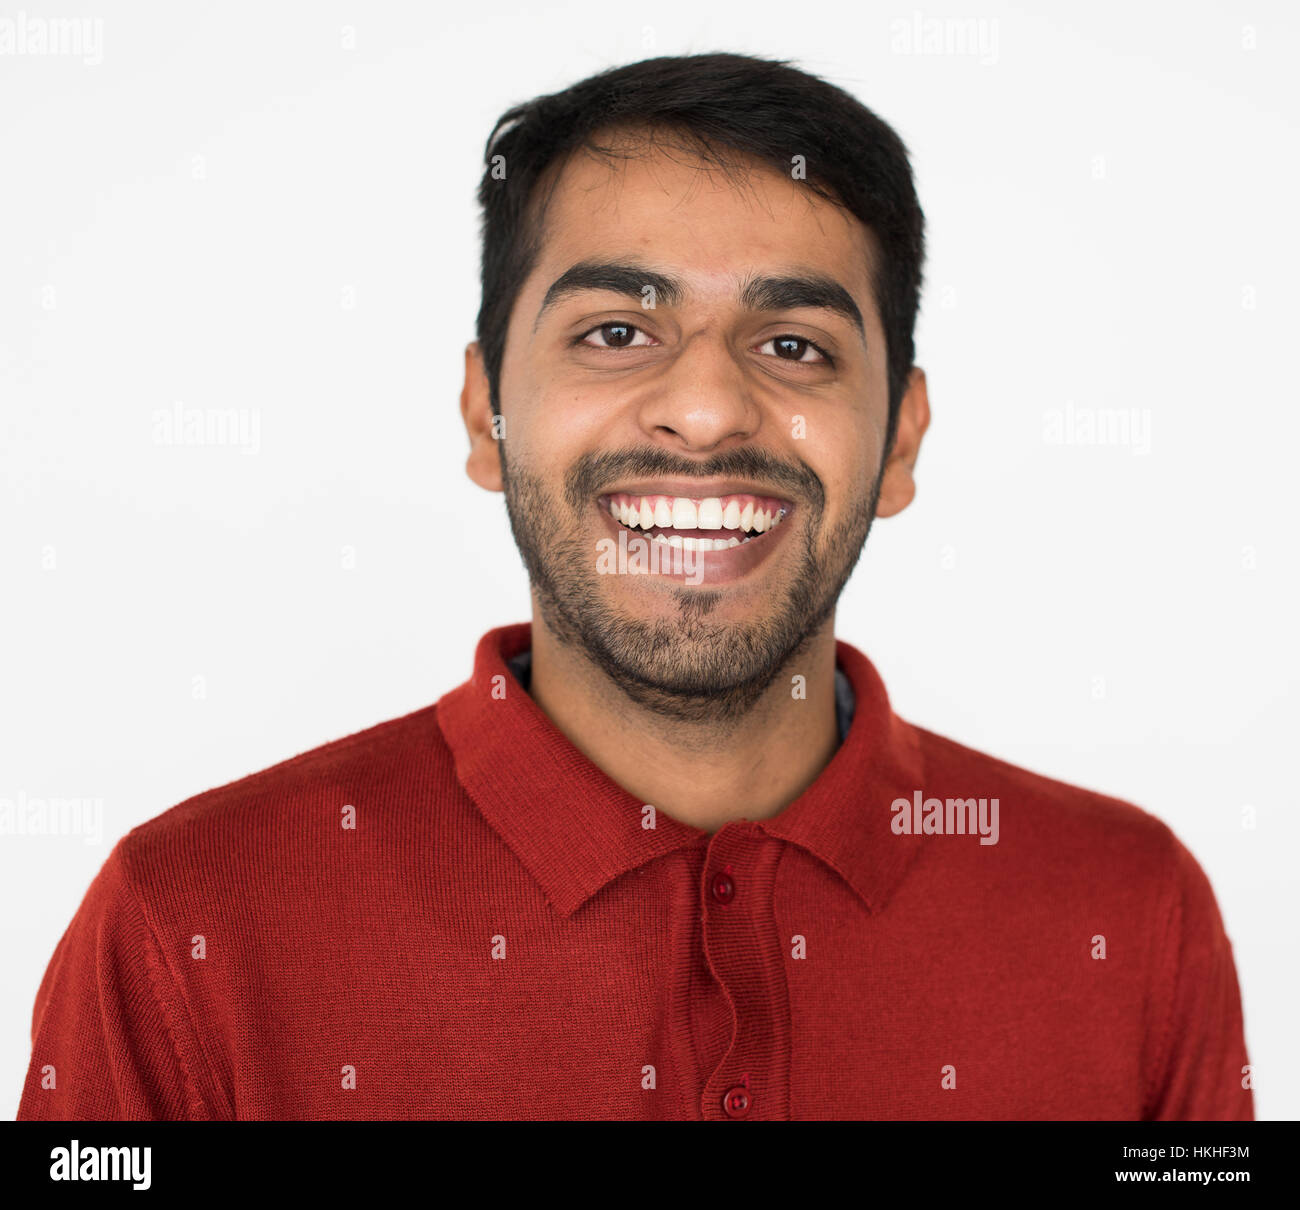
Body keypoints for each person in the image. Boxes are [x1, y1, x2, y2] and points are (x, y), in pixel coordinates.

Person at [19, 52, 1251, 1121]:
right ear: (484, 413)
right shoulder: (184, 922)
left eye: (794, 346)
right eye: (615, 331)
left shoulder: (1131, 911)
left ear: (902, 442)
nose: (708, 411)